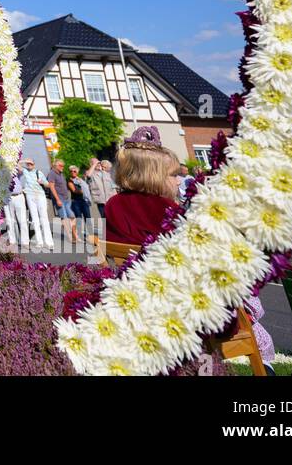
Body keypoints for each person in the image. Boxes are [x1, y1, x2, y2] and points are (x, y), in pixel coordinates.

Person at [107, 126, 274, 371]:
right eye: (173, 175)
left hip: (140, 303)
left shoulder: (113, 206)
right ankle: (265, 367)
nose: (178, 181)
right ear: (154, 176)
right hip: (184, 310)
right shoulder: (166, 211)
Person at [47, 159, 75, 244]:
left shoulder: (61, 173)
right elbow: (52, 187)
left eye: (63, 165)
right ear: (55, 166)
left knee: (72, 216)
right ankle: (70, 237)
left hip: (66, 199)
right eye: (61, 165)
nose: (62, 167)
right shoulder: (52, 173)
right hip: (59, 199)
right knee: (64, 218)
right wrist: (58, 199)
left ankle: (75, 235)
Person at [5, 162, 30, 249]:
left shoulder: (15, 169)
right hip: (8, 197)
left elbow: (21, 170)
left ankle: (25, 242)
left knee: (22, 220)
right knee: (9, 220)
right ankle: (12, 241)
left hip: (19, 196)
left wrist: (16, 162)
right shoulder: (2, 171)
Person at [68, 164, 91, 235]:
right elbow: (74, 190)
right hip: (76, 202)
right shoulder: (69, 181)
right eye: (71, 171)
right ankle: (80, 235)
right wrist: (83, 191)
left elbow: (88, 177)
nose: (73, 172)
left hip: (84, 201)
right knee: (78, 219)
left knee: (88, 218)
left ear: (77, 172)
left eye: (74, 171)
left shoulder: (81, 180)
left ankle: (91, 235)